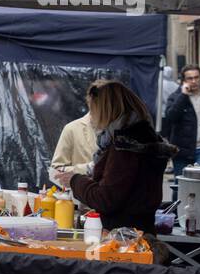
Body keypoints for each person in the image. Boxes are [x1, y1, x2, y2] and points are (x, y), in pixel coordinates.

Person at [60, 81, 175, 232]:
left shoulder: (126, 146)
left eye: (93, 110)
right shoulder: (141, 136)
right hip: (137, 229)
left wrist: (75, 180)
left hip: (124, 235)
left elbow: (106, 199)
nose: (92, 117)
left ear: (105, 110)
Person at [162, 65, 200, 174]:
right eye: (190, 78)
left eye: (196, 77)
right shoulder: (176, 96)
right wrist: (183, 96)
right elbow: (171, 117)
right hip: (182, 149)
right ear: (183, 80)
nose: (194, 81)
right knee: (180, 185)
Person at [51, 111, 99, 181]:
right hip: (84, 190)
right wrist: (88, 168)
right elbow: (56, 172)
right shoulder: (72, 129)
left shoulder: (117, 128)